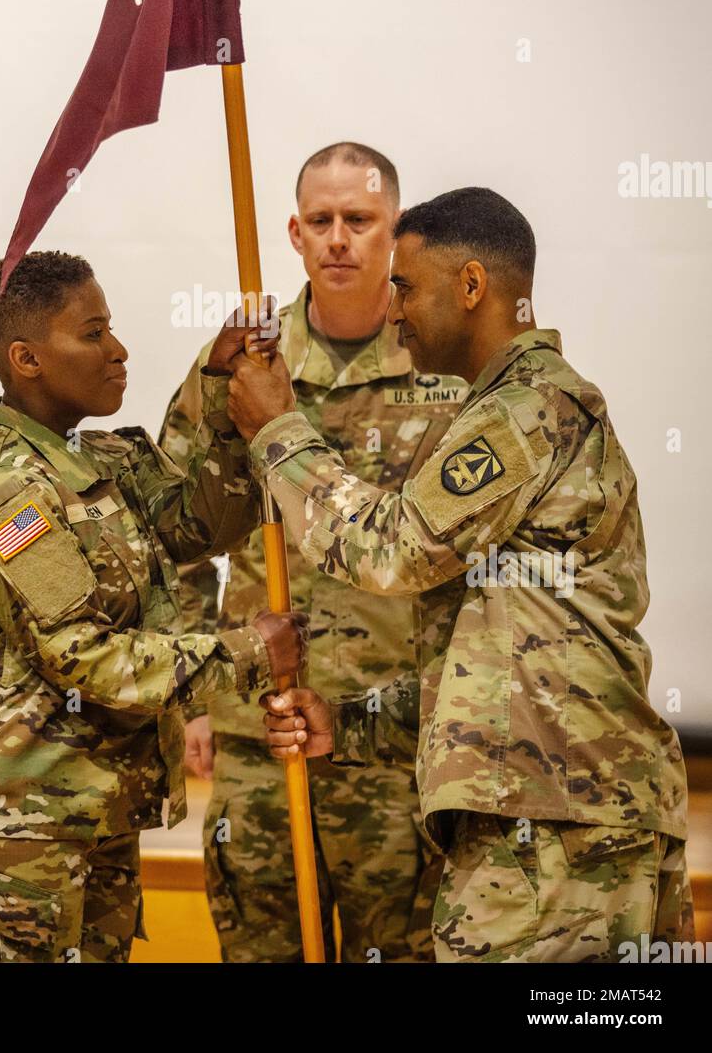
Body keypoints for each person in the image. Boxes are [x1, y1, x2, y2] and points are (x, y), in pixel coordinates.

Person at [229, 187, 694, 963]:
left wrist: (280, 430)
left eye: (406, 287)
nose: (395, 310)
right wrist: (349, 725)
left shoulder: (526, 410)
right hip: (566, 816)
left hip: (555, 833)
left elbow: (391, 550)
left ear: (472, 287)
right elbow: (506, 664)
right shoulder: (525, 407)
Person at [0, 250, 306, 963]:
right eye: (93, 333)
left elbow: (201, 527)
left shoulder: (100, 460)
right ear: (26, 358)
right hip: (1, 823)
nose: (119, 351)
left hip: (82, 810)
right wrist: (248, 653)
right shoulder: (5, 493)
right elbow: (82, 656)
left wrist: (224, 402)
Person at [160, 143, 466, 962]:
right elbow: (169, 528)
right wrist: (189, 689)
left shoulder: (441, 367)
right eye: (321, 221)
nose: (339, 239)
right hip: (262, 726)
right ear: (293, 234)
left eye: (359, 221)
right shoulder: (241, 361)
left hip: (394, 734)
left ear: (394, 232)